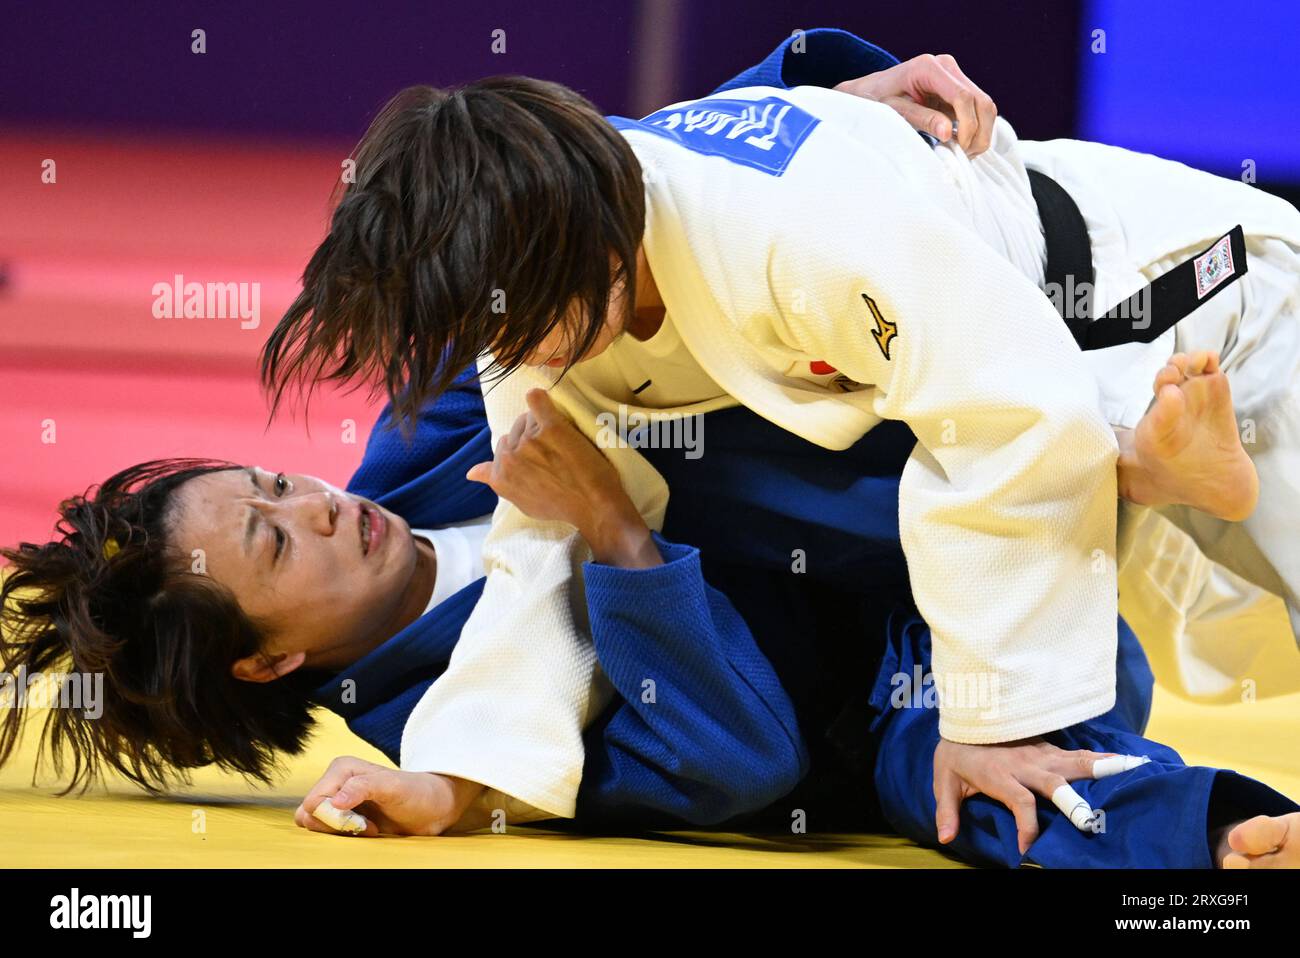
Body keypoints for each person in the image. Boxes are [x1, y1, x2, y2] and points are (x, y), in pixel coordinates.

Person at [257, 28, 1276, 824]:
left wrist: (989, 720)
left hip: (1194, 300)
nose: (524, 355)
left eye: (528, 321)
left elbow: (1005, 418)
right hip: (1041, 383)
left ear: (590, 239)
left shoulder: (794, 236)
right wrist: (460, 777)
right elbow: (545, 542)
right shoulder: (531, 261)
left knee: (1031, 460)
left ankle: (1141, 452)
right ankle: (1142, 462)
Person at [5, 369, 1296, 867]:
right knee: (985, 802)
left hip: (928, 487)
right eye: (278, 541)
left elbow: (576, 218)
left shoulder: (414, 443)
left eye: (275, 484)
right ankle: (1241, 834)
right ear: (273, 654)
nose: (325, 506)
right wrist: (615, 535)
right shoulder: (464, 739)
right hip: (908, 689)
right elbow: (750, 760)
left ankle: (1128, 447)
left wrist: (813, 88)